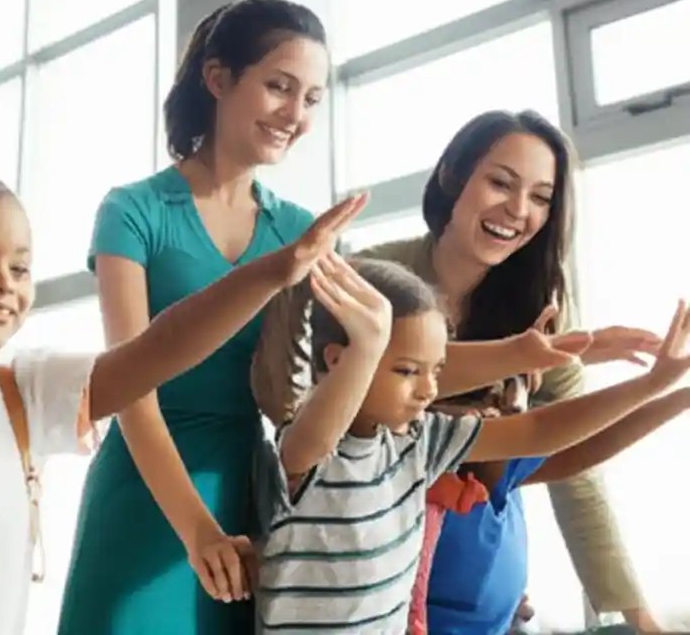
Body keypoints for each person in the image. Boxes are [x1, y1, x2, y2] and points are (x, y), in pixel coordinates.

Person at [0, 168, 366, 634]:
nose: (5, 282)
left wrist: (272, 272)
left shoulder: (25, 393)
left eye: (21, 268)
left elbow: (157, 349)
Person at [57, 0, 331, 634]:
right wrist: (198, 531)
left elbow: (344, 371)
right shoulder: (133, 211)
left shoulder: (298, 231)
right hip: (143, 493)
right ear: (217, 79)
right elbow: (129, 387)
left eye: (312, 98)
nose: (296, 115)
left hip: (241, 497)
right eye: (279, 87)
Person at [248, 254, 690, 632]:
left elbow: (541, 432)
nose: (427, 390)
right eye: (406, 371)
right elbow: (315, 436)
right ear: (338, 359)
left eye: (436, 370)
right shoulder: (305, 447)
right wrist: (367, 344)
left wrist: (652, 386)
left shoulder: (420, 441)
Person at [358, 110, 663, 630]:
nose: (517, 210)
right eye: (500, 182)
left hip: (484, 591)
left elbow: (569, 459)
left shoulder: (541, 308)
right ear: (453, 175)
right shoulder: (372, 280)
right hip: (372, 585)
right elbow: (331, 416)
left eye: (542, 197)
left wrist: (638, 615)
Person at [425, 374, 690, 633]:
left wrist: (680, 397)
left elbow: (587, 443)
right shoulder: (434, 503)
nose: (518, 413)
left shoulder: (504, 473)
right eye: (503, 406)